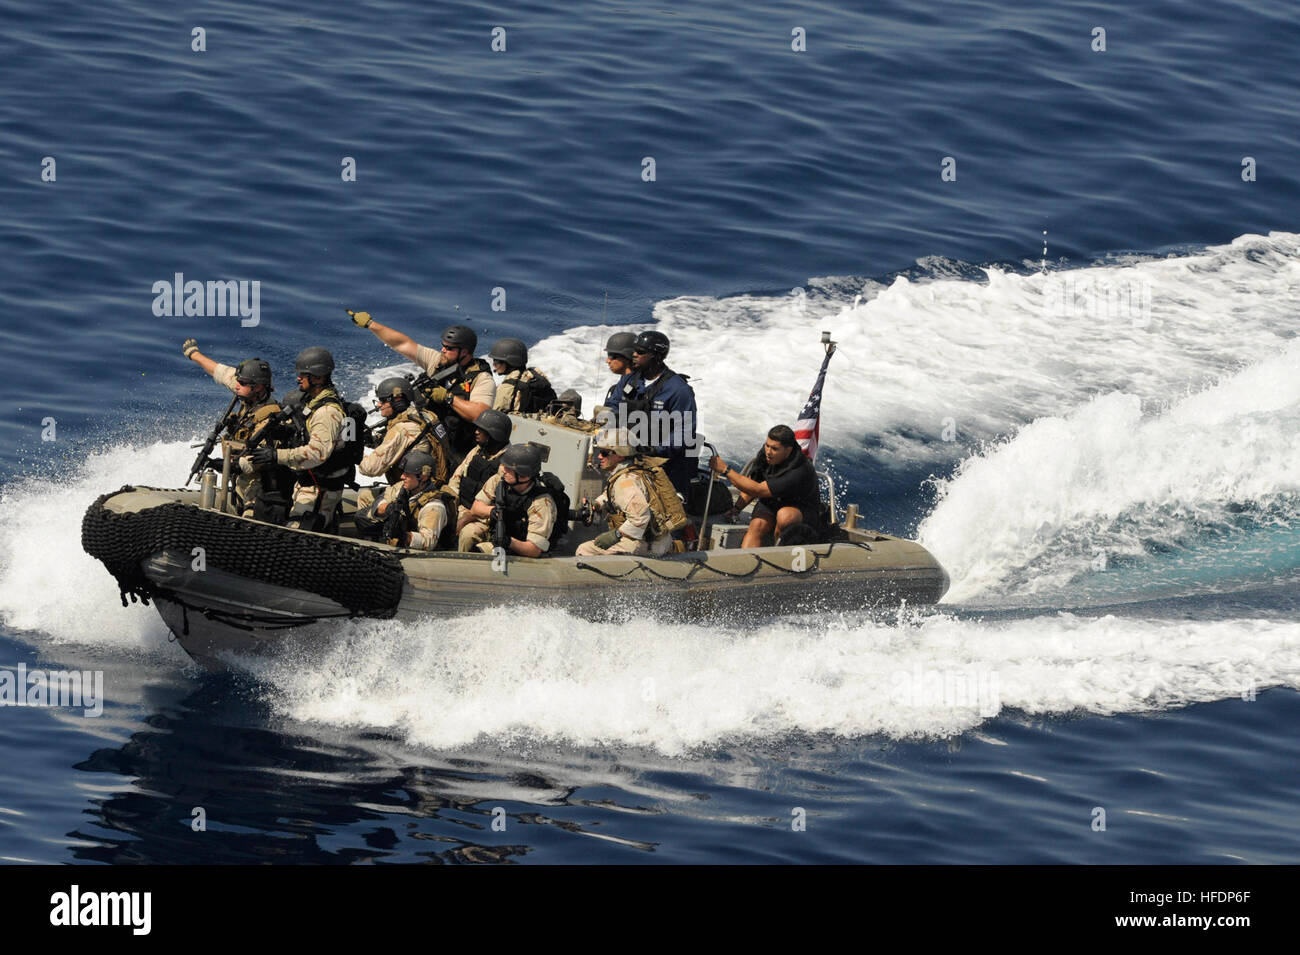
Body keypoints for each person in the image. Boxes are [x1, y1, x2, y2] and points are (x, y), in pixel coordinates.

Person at [347, 309, 494, 458]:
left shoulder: (481, 378)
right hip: (427, 437)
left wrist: (447, 397)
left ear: (465, 352)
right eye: (443, 345)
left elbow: (481, 414)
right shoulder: (438, 362)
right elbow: (402, 344)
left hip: (456, 450)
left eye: (449, 348)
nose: (443, 350)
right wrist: (371, 324)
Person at [245, 347, 348, 532]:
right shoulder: (312, 404)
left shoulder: (326, 412)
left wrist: (276, 455)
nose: (298, 378)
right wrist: (283, 432)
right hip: (307, 482)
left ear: (317, 377)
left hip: (319, 488)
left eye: (303, 374)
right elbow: (305, 433)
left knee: (296, 533)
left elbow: (317, 454)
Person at [182, 339, 284, 518]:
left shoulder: (271, 417)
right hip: (239, 480)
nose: (237, 385)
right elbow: (219, 372)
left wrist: (227, 465)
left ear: (258, 387)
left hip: (259, 486)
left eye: (242, 382)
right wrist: (193, 354)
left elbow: (257, 460)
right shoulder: (246, 392)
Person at [608, 330, 698, 498]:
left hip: (665, 464)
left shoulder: (678, 391)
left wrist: (652, 448)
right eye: (634, 350)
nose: (634, 355)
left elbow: (684, 433)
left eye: (640, 352)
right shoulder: (630, 380)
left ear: (656, 356)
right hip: (628, 457)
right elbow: (612, 406)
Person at [354, 377, 449, 535]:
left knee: (364, 501)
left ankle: (385, 539)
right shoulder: (426, 416)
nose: (379, 405)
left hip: (415, 487)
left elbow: (370, 469)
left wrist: (356, 452)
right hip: (433, 481)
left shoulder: (402, 429)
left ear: (398, 401)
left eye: (383, 401)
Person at [708, 425, 824, 548]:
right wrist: (736, 509)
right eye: (767, 445)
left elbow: (758, 490)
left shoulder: (799, 469)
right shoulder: (767, 455)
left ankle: (777, 554)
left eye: (774, 448)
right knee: (757, 525)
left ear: (788, 450)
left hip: (801, 510)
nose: (768, 452)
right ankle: (745, 562)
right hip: (772, 503)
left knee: (785, 516)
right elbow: (753, 482)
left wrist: (725, 470)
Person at [576, 429, 674, 557]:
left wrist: (615, 535)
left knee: (584, 550)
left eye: (605, 453)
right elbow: (610, 495)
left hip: (647, 544)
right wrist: (596, 504)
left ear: (620, 455)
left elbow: (640, 518)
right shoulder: (632, 471)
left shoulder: (625, 483)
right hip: (656, 539)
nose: (599, 456)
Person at [458, 443, 557, 556]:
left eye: (509, 468)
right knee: (468, 533)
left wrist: (509, 542)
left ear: (524, 475)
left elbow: (534, 550)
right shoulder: (500, 480)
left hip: (519, 547)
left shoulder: (541, 503)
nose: (503, 470)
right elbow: (475, 508)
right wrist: (492, 511)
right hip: (496, 530)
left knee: (480, 551)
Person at [362, 451, 450, 550]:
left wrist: (403, 536)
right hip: (400, 536)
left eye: (407, 474)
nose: (402, 476)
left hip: (420, 555)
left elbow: (428, 542)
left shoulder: (434, 507)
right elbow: (382, 498)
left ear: (423, 477)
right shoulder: (406, 488)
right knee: (361, 516)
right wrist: (388, 509)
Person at [446, 408, 512, 537]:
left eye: (482, 430)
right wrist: (450, 503)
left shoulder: (506, 465)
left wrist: (466, 518)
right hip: (462, 506)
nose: (476, 432)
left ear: (494, 435)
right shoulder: (478, 451)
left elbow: (495, 505)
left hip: (484, 516)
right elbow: (457, 478)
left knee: (468, 534)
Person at [488, 338, 555, 413]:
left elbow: (494, 413)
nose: (494, 364)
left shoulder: (508, 386)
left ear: (510, 362)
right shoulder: (535, 373)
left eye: (496, 361)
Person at [601, 332, 637, 411]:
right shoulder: (626, 381)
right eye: (608, 355)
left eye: (612, 356)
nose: (607, 360)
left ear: (627, 357)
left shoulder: (631, 387)